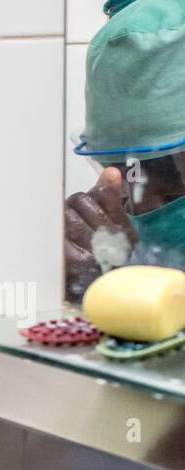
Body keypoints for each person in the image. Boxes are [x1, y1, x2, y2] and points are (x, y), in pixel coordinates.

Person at [66, 0, 185, 302]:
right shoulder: (118, 241)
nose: (144, 211)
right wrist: (97, 298)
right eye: (129, 179)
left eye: (174, 188)